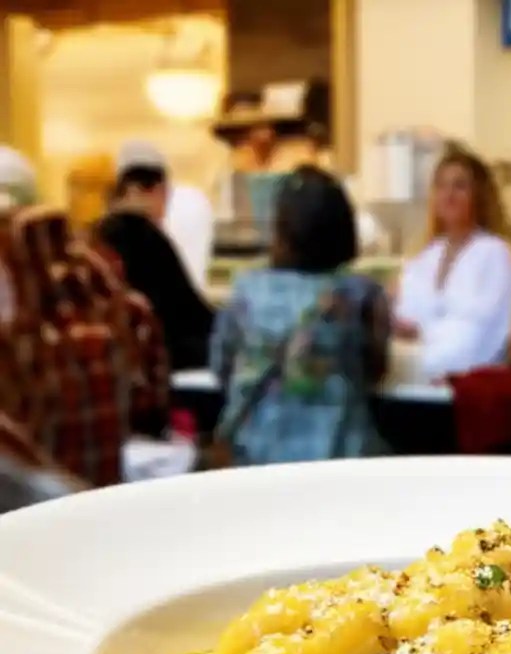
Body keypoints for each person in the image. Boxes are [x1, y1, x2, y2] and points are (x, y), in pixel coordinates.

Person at [210, 166, 391, 465]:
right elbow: (375, 372)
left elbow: (222, 367)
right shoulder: (362, 296)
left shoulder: (246, 292)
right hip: (339, 456)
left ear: (280, 229)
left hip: (255, 457)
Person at [0, 207, 170, 487]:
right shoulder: (119, 317)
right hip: (101, 494)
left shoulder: (25, 344)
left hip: (39, 506)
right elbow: (151, 402)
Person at [394, 147, 511, 377]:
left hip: (463, 373)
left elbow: (481, 333)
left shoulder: (494, 253)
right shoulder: (424, 256)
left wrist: (422, 334)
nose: (448, 195)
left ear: (478, 196)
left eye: (460, 186)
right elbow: (404, 315)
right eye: (441, 186)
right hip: (411, 368)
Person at [97, 141, 215, 369]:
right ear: (159, 190)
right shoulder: (146, 237)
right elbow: (190, 314)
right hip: (164, 361)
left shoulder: (98, 235)